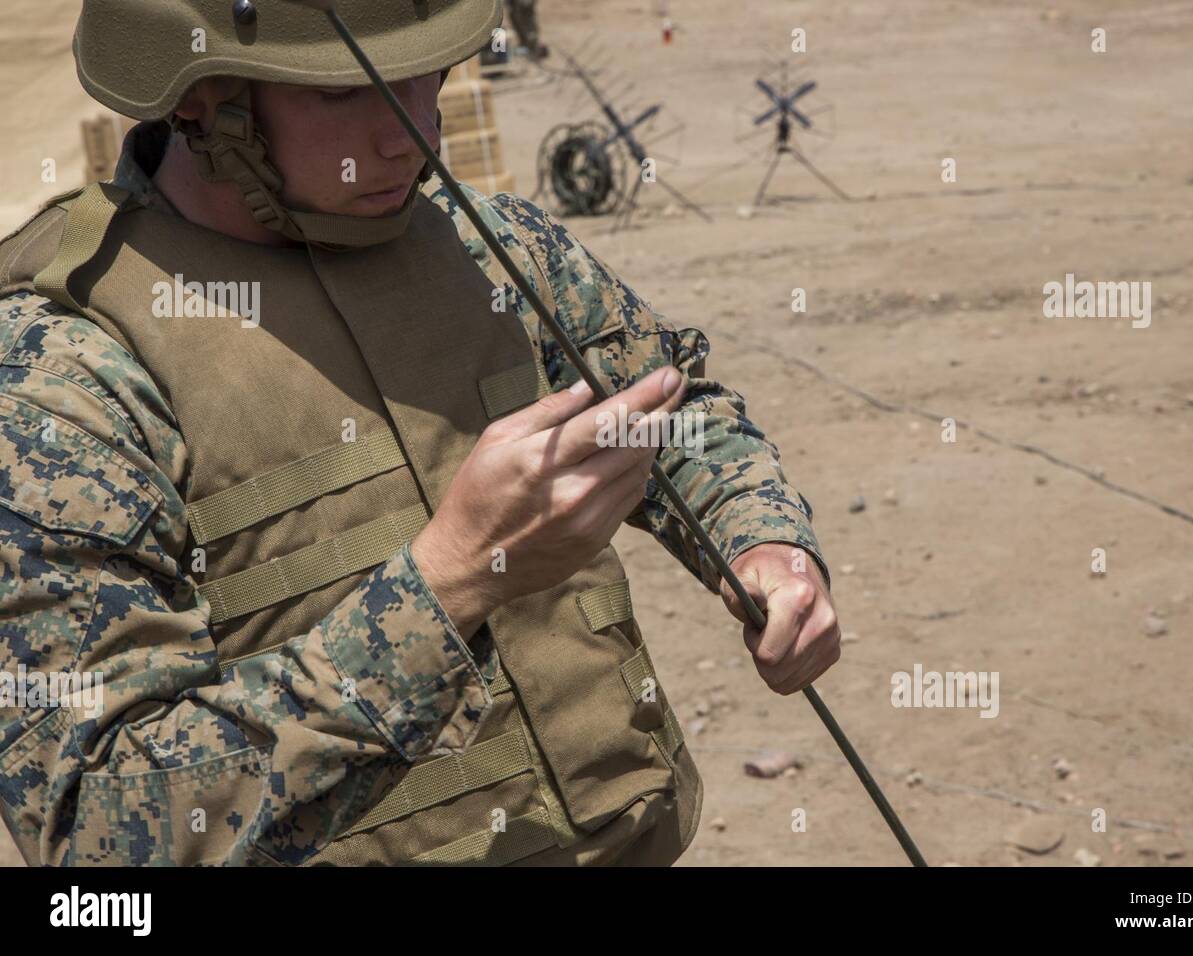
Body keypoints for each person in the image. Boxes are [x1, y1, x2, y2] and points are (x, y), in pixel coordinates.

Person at [0, 0, 839, 866]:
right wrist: (448, 585)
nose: (413, 131)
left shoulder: (491, 246)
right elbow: (96, 832)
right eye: (345, 92)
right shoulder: (63, 374)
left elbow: (680, 413)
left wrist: (763, 542)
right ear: (203, 98)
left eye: (429, 74)